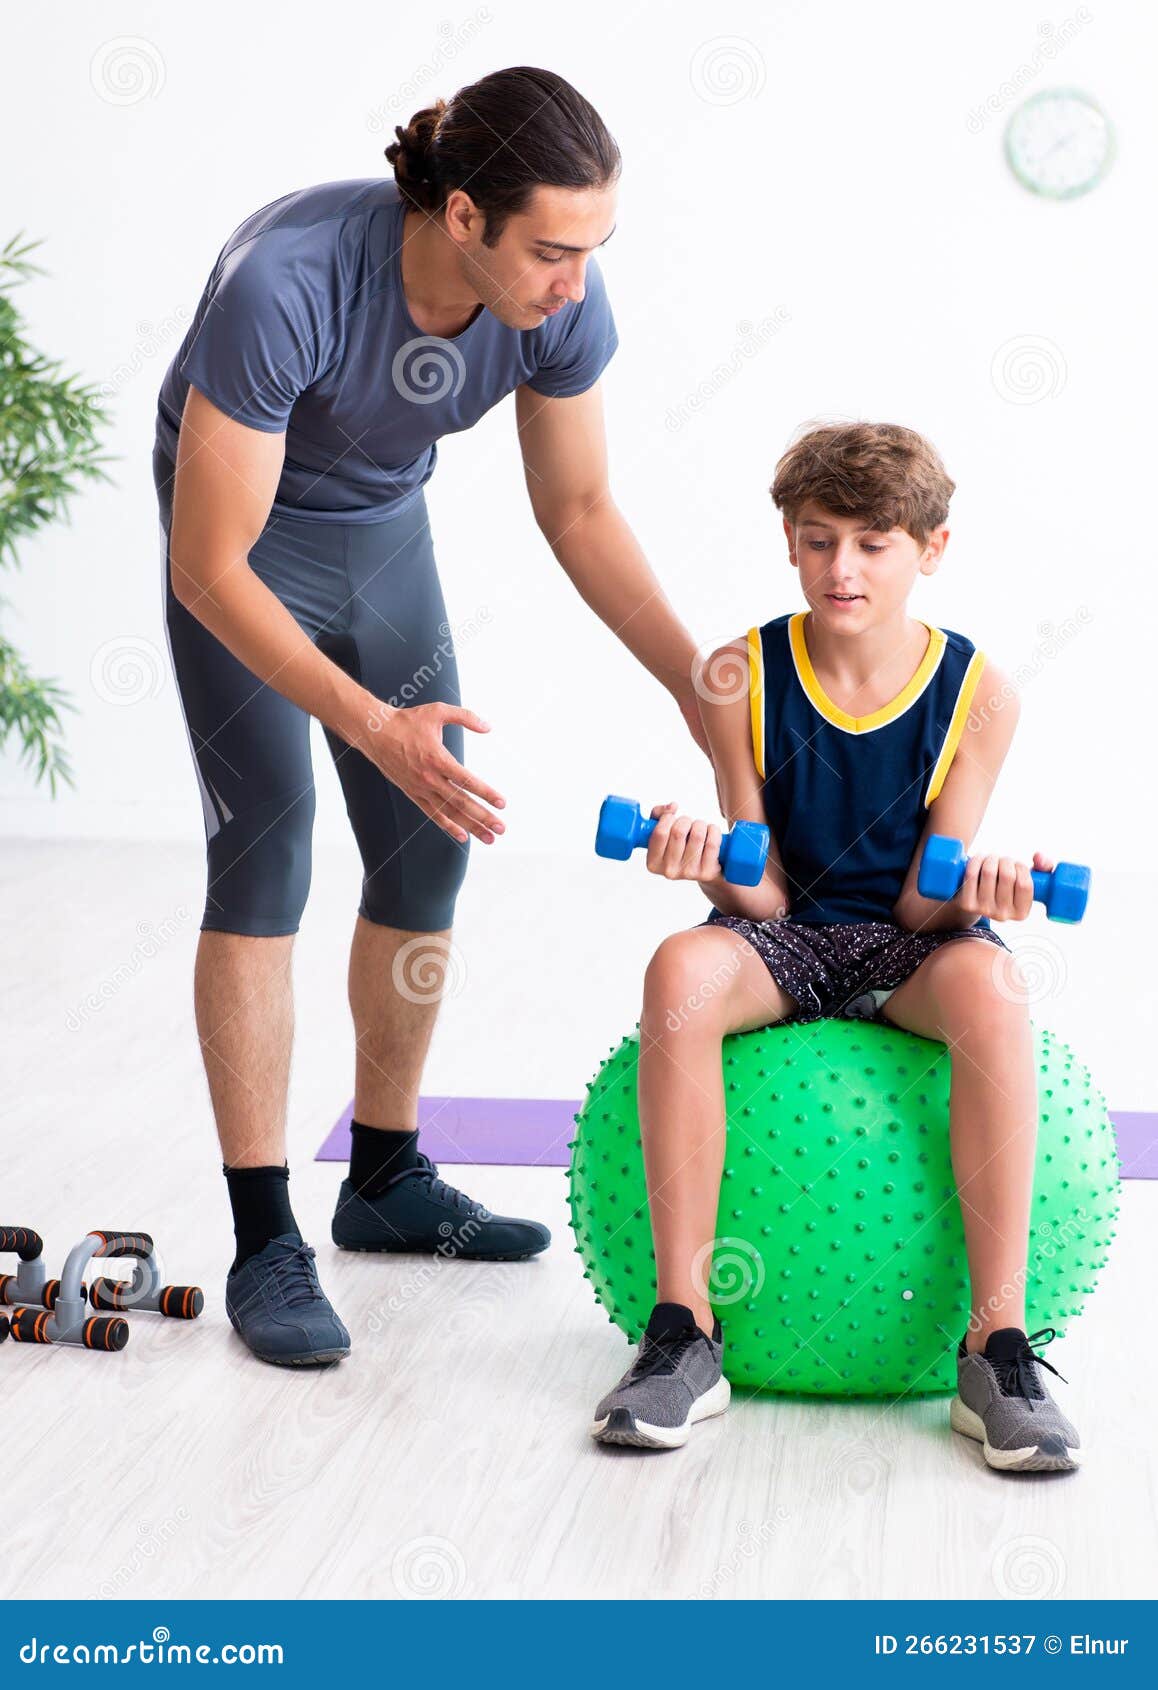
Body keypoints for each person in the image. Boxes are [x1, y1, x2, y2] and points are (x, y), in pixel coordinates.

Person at [152, 66, 709, 1366]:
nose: (574, 283)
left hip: (378, 532)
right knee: (267, 851)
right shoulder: (284, 284)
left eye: (593, 250)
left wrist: (693, 680)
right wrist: (365, 720)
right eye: (552, 252)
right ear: (461, 218)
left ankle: (386, 1175)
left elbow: (577, 512)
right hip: (242, 549)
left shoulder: (555, 300)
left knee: (428, 837)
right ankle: (262, 1234)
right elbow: (208, 567)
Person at [589, 421, 1081, 1473]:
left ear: (931, 549)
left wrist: (990, 890)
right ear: (789, 539)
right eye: (818, 541)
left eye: (872, 543)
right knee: (679, 966)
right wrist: (698, 860)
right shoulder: (738, 674)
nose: (841, 568)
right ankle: (684, 1334)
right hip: (783, 934)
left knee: (995, 986)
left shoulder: (980, 693)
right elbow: (759, 888)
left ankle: (995, 1347)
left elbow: (917, 906)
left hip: (908, 939)